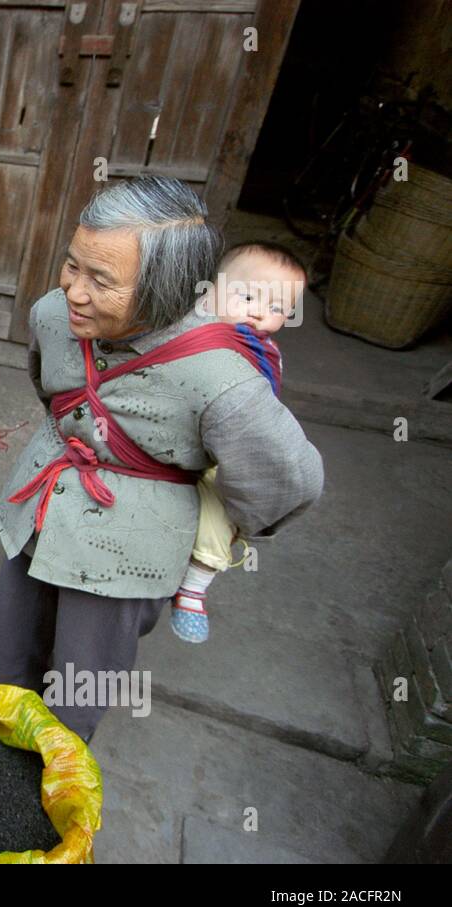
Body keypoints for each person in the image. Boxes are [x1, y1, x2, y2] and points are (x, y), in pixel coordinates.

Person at [0, 177, 324, 740]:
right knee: (17, 632)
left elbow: (284, 482)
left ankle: (54, 767)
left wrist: (215, 527)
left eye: (102, 281)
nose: (73, 291)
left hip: (129, 540)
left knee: (83, 671)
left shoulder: (224, 379)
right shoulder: (52, 314)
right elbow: (51, 389)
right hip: (42, 499)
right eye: (73, 266)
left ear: (167, 290)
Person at [171, 241, 308, 642]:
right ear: (209, 290)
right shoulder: (186, 328)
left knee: (223, 510)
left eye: (279, 308)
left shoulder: (264, 353)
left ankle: (193, 587)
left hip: (222, 446)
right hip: (168, 434)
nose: (260, 312)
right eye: (247, 295)